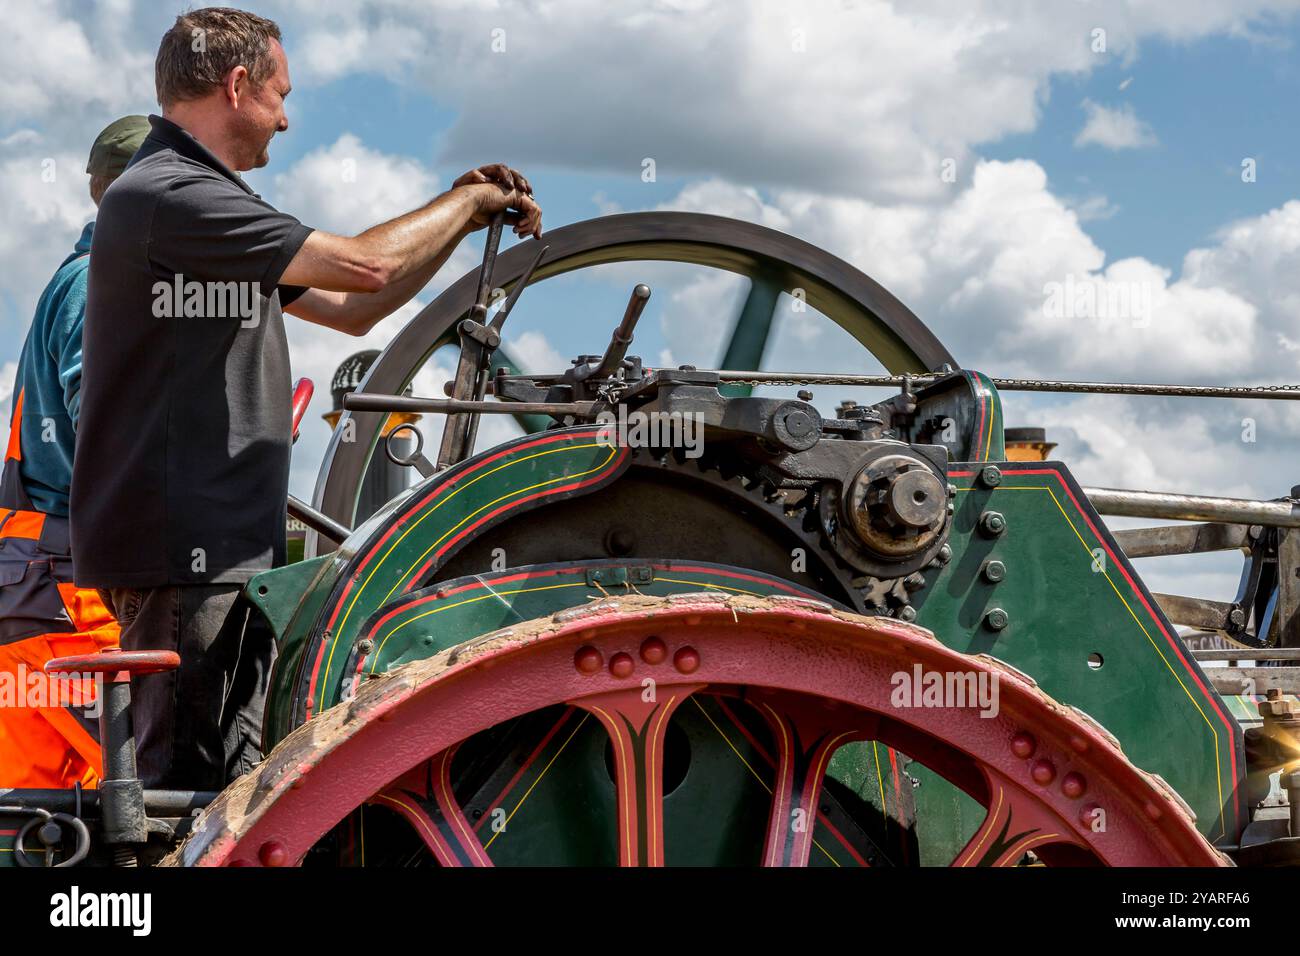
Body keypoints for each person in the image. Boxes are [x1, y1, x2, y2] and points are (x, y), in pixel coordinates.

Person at [69, 7, 542, 790]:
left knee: (226, 788)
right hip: (193, 558)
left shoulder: (194, 204)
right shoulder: (173, 197)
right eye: (282, 97)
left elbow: (355, 309)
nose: (286, 121)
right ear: (238, 84)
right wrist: (467, 206)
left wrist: (453, 219)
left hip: (216, 554)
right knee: (192, 799)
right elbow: (364, 268)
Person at [0, 116, 151, 788]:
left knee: (42, 813)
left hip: (38, 577)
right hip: (67, 590)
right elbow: (107, 427)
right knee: (91, 805)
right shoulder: (98, 282)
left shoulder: (80, 278)